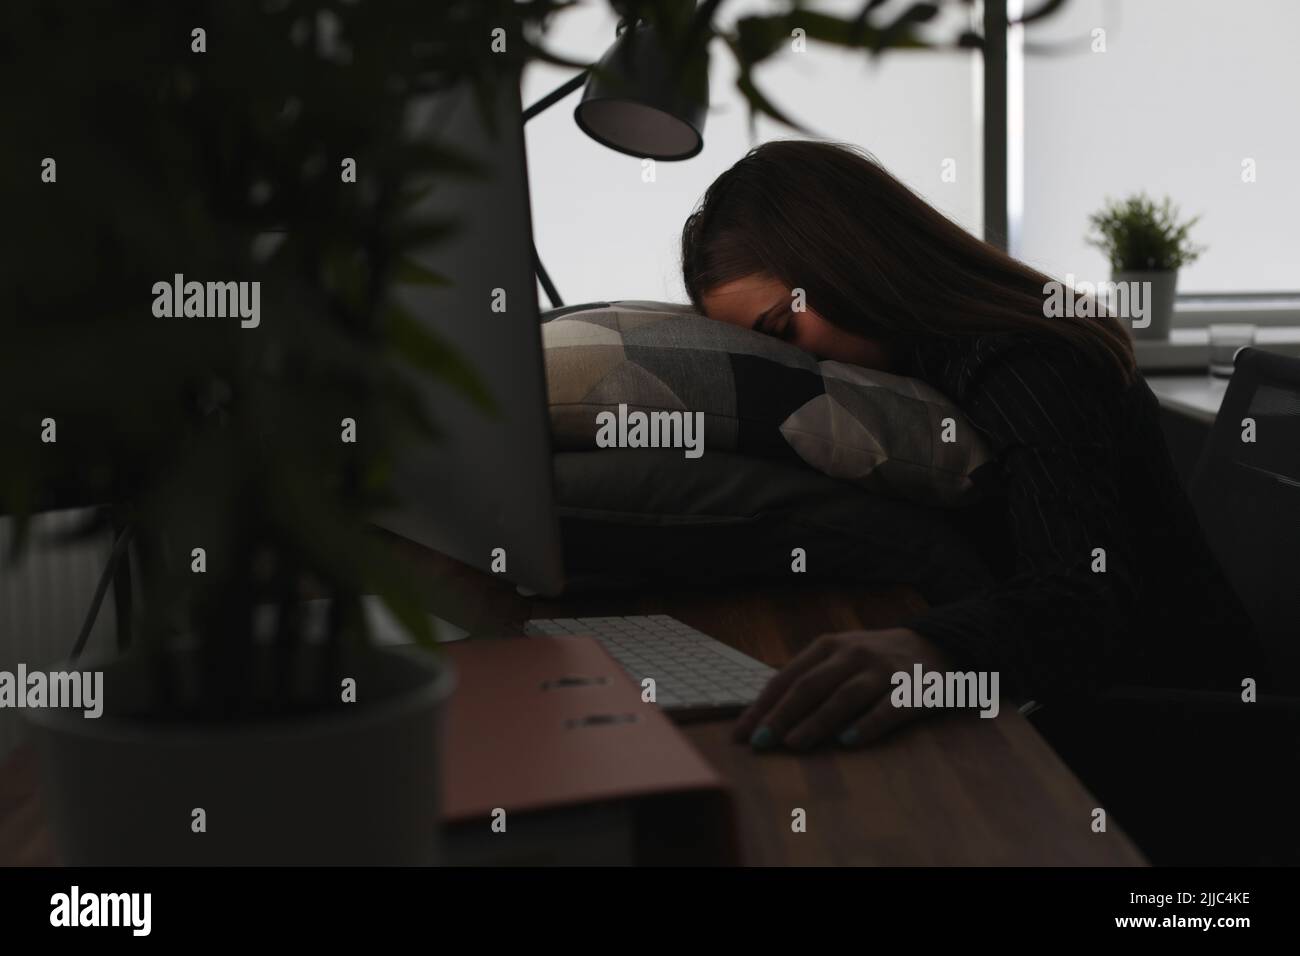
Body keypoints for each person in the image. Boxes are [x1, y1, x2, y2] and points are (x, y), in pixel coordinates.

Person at [679, 140, 1258, 752]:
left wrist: (930, 647)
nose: (793, 364)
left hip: (1185, 732)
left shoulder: (1026, 364)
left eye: (783, 329)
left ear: (844, 261)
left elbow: (1087, 596)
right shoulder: (919, 364)